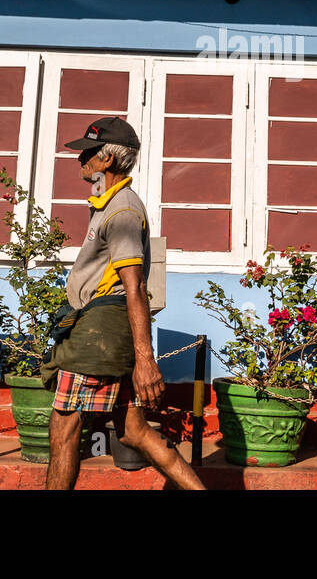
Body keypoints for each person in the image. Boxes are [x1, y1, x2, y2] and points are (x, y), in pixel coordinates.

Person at [44, 116, 204, 490]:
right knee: (133, 430)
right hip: (106, 324)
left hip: (102, 329)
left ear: (108, 161)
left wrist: (145, 360)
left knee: (64, 426)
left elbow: (135, 288)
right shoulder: (109, 203)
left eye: (89, 152)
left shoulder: (123, 213)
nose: (80, 158)